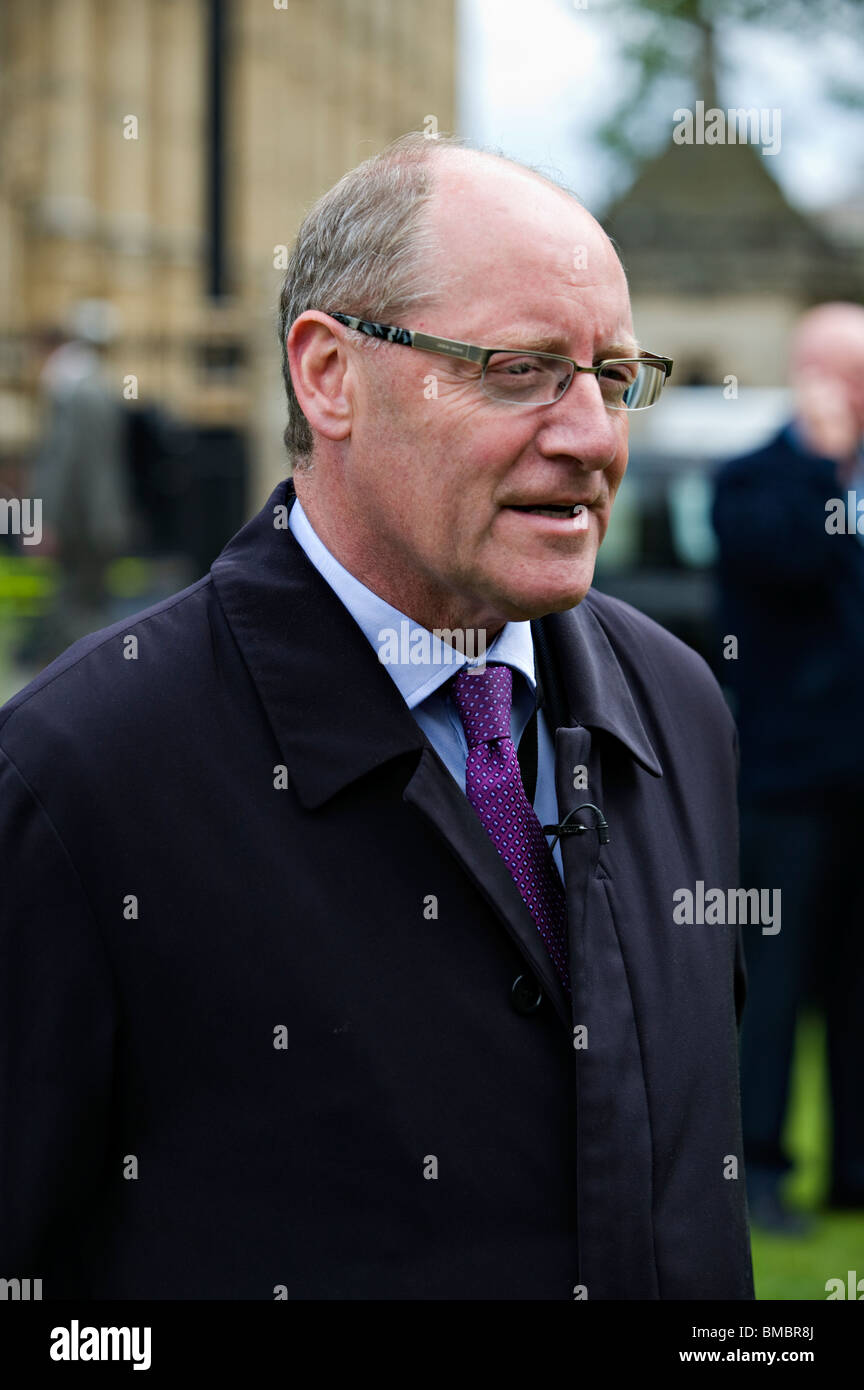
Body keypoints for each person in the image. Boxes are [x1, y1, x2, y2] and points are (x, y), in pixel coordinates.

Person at [0, 134, 753, 1300]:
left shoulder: (679, 705)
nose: (595, 436)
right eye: (519, 368)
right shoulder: (80, 769)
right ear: (329, 375)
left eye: (613, 375)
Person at [712, 302, 864, 1233]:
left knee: (857, 988)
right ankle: (757, 1169)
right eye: (844, 375)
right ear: (809, 375)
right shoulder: (759, 482)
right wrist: (819, 460)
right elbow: (798, 563)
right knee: (771, 987)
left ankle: (854, 1169)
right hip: (787, 785)